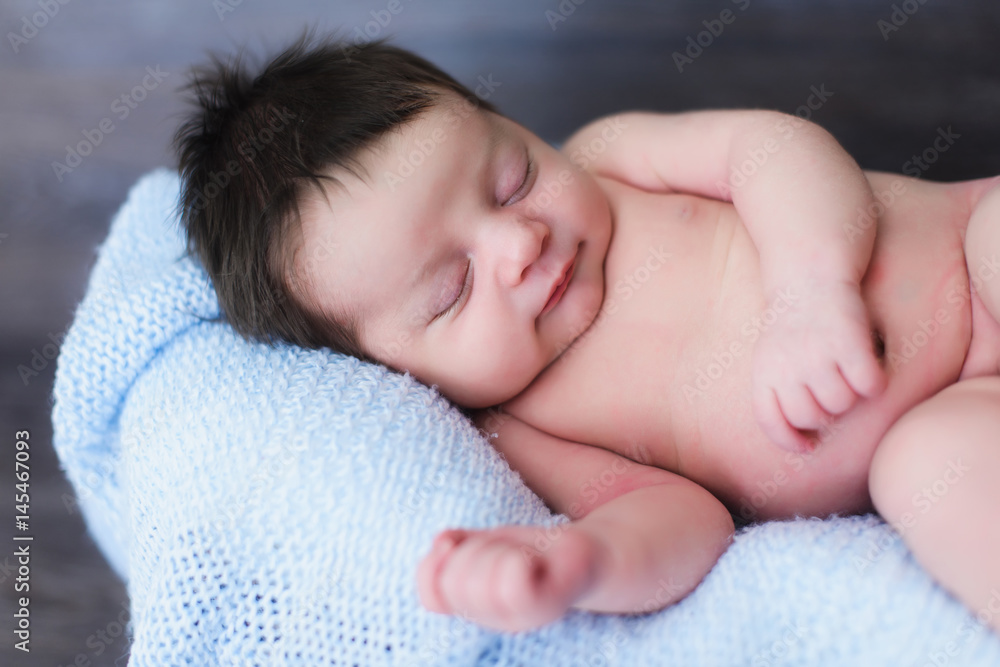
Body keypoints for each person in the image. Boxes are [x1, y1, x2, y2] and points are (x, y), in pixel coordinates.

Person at [173, 34, 1000, 634]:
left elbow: (772, 148)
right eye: (454, 289)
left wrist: (810, 289)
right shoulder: (521, 425)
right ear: (393, 369)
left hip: (970, 250)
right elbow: (677, 517)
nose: (518, 243)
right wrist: (581, 563)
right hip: (946, 417)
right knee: (926, 473)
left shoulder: (611, 156)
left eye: (512, 177)